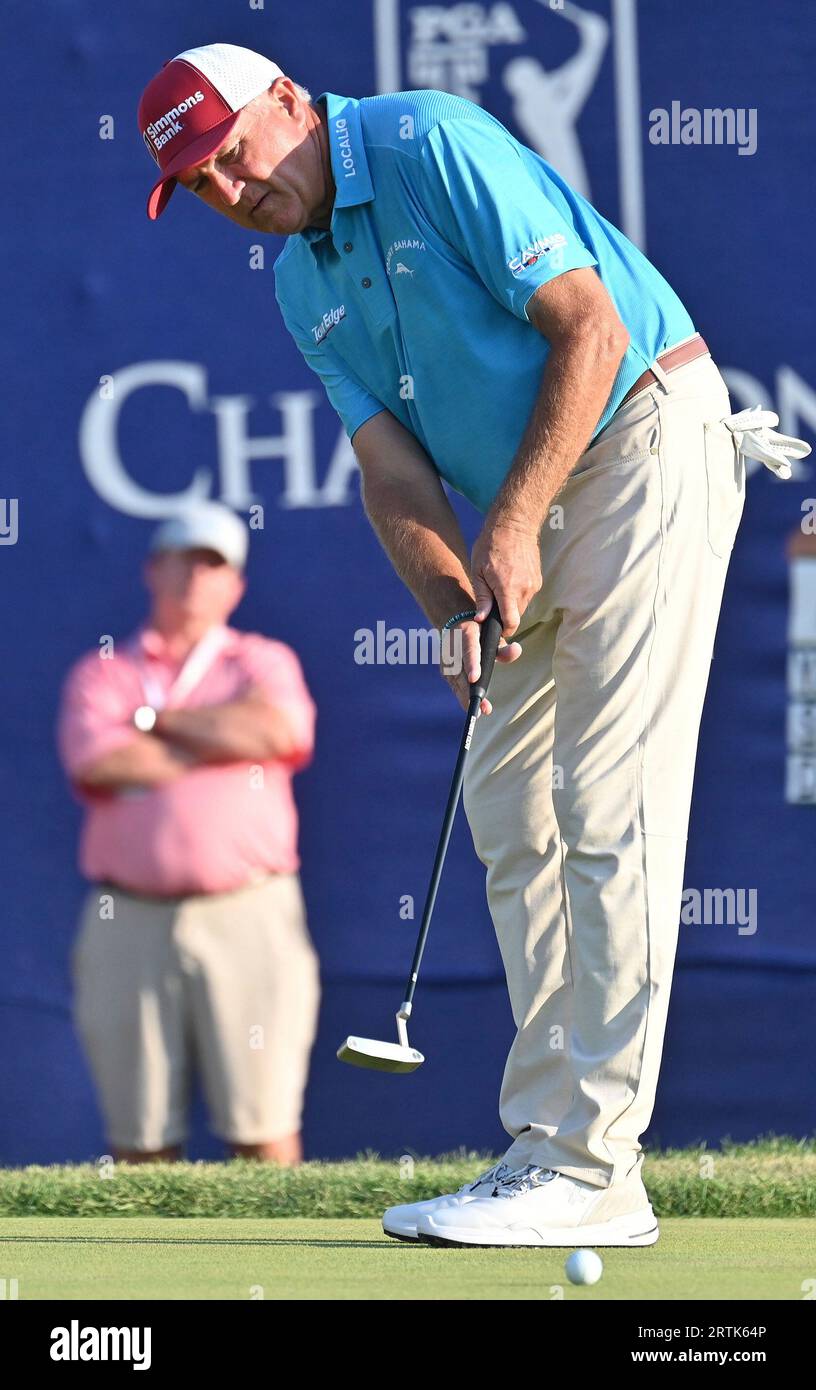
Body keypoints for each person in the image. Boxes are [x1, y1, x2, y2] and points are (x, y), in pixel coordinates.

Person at [135, 44, 804, 1245]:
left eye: (232, 153)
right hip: (530, 503)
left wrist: (507, 531)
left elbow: (586, 327)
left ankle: (596, 1160)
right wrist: (454, 603)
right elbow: (390, 469)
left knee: (607, 804)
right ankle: (549, 1148)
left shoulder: (424, 139)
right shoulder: (300, 285)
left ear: (287, 99)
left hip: (644, 434)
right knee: (512, 815)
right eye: (199, 187)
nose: (230, 191)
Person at [58, 501, 319, 1166]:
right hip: (127, 916)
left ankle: (280, 1274)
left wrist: (150, 719)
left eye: (214, 566)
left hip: (251, 911)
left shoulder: (263, 662)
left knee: (263, 1127)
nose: (196, 579)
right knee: (140, 1139)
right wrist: (220, 739)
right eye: (184, 560)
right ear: (153, 569)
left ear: (235, 585)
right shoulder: (103, 671)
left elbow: (277, 731)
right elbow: (100, 760)